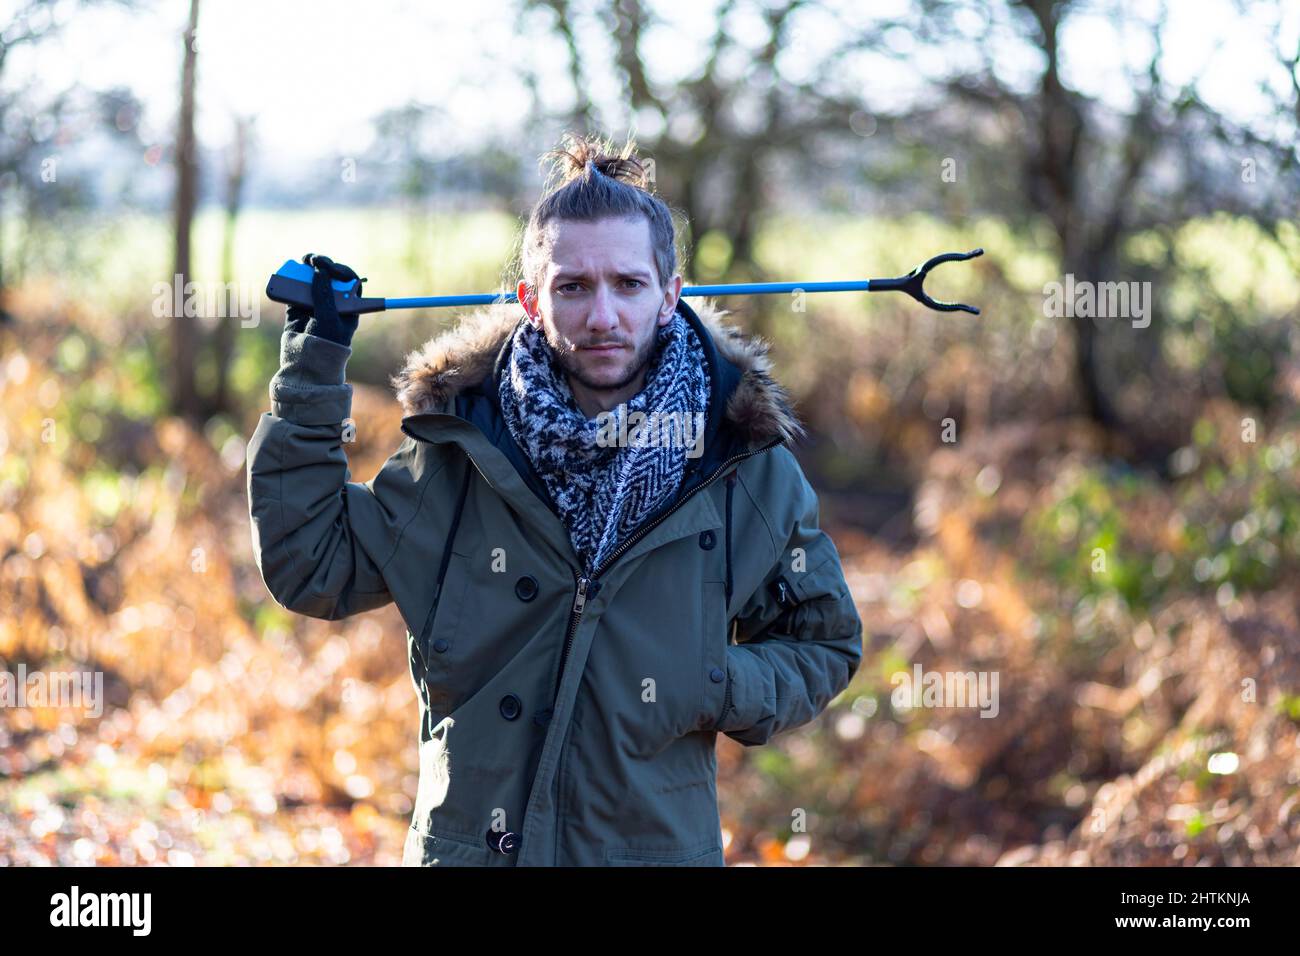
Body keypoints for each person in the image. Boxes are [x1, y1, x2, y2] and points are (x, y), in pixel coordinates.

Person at [246, 132, 863, 867]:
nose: (602, 315)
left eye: (628, 284)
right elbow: (312, 564)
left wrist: (717, 683)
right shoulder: (461, 449)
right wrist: (314, 365)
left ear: (670, 295)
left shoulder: (741, 465)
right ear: (532, 300)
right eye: (573, 286)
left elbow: (824, 642)